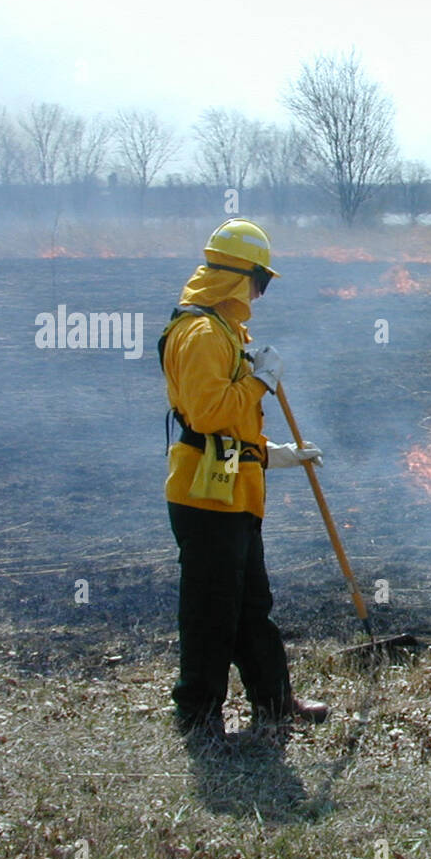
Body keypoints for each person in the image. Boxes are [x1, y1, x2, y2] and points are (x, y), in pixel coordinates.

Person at [158, 218, 329, 746]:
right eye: (262, 279)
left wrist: (274, 455)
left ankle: (275, 700)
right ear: (241, 275)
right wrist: (259, 381)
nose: (262, 290)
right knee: (211, 610)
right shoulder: (205, 332)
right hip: (206, 499)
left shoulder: (227, 330)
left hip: (230, 488)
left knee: (252, 604)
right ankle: (198, 713)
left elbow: (228, 428)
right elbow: (209, 415)